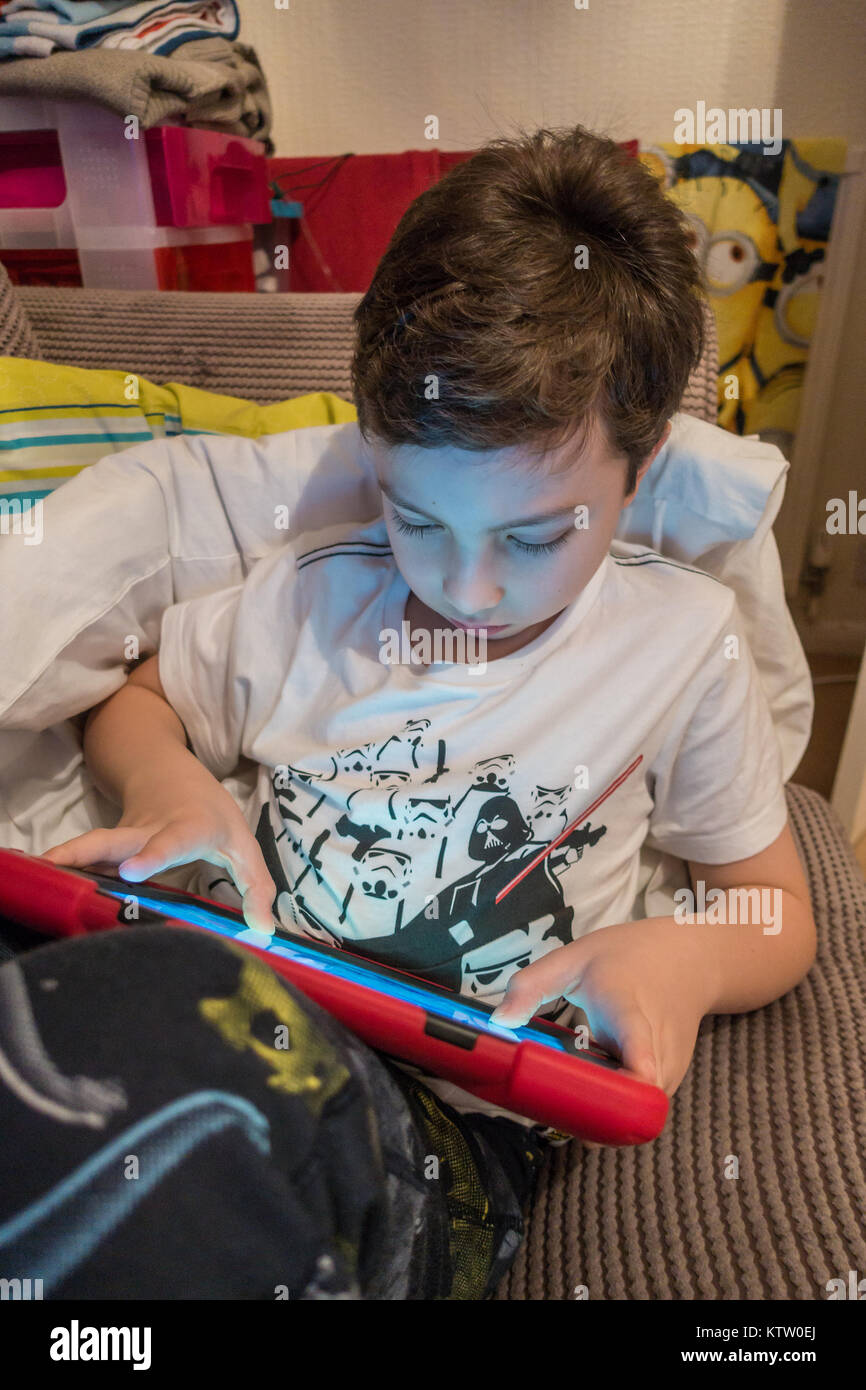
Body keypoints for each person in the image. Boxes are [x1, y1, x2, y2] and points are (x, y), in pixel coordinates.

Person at [5, 125, 816, 1300]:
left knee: (172, 1068)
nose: (464, 586)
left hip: (436, 1134)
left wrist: (674, 957)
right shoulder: (311, 593)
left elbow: (773, 907)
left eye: (535, 536)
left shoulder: (680, 645)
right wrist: (168, 785)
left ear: (637, 474)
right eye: (416, 517)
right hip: (232, 996)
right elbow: (138, 697)